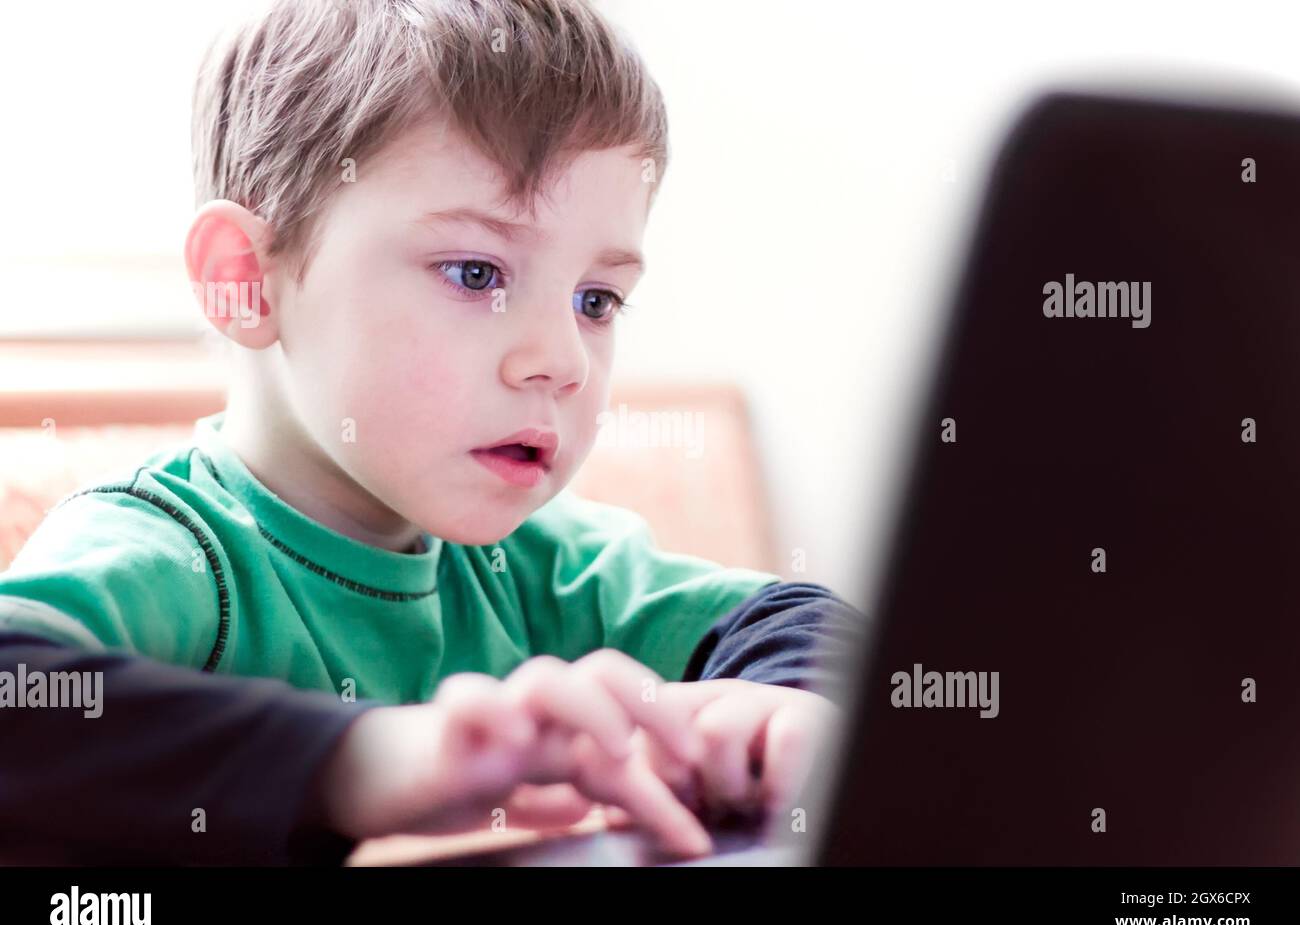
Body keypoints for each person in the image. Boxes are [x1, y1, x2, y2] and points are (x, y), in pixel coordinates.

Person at [0, 0, 861, 865]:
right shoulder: (177, 553)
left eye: (596, 300)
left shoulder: (543, 567)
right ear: (248, 282)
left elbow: (794, 619)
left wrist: (786, 708)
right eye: (476, 272)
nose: (561, 360)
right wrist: (366, 757)